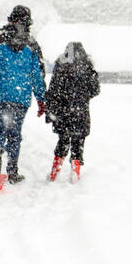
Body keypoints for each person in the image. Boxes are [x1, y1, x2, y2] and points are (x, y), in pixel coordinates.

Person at [0, 5, 47, 182]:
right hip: (20, 98)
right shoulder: (32, 45)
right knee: (14, 134)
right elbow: (37, 74)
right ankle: (12, 171)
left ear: (11, 19)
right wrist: (41, 99)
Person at [44, 41, 101, 182]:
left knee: (63, 141)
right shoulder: (87, 67)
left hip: (63, 113)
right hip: (80, 112)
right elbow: (95, 89)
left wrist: (52, 109)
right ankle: (75, 173)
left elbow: (53, 90)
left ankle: (54, 173)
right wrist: (82, 97)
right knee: (78, 143)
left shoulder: (60, 66)